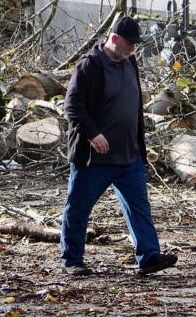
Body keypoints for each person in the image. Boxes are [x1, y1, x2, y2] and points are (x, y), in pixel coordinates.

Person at [60, 16, 177, 276]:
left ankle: (148, 256)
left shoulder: (129, 62)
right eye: (129, 44)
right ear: (113, 39)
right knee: (78, 206)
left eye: (135, 45)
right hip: (95, 157)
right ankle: (72, 260)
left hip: (129, 155)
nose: (132, 49)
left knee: (139, 206)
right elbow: (72, 106)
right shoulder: (89, 65)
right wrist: (93, 134)